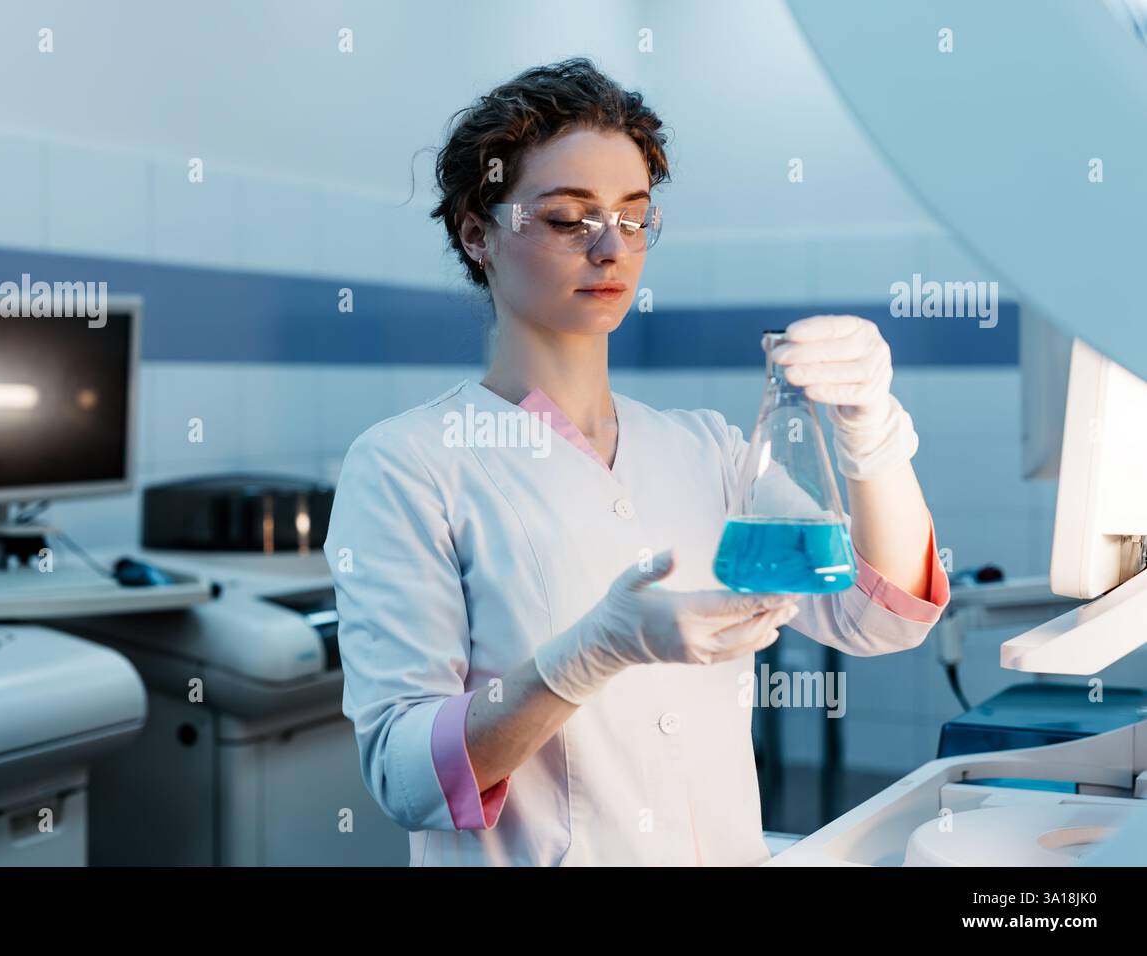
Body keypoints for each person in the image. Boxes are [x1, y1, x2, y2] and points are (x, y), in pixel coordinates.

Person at [323, 58, 949, 866]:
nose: (610, 248)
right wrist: (590, 653)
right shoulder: (407, 465)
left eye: (632, 216)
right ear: (478, 234)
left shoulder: (710, 450)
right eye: (565, 219)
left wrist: (872, 435)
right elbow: (405, 774)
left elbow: (879, 615)